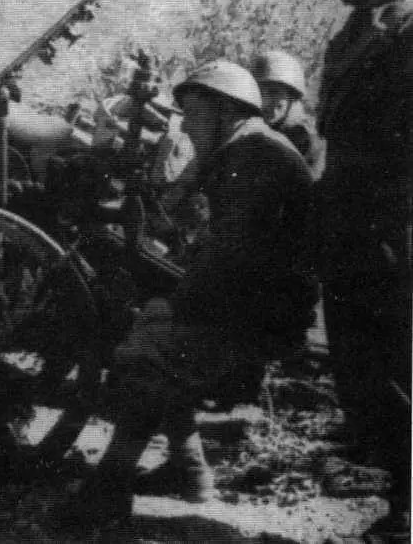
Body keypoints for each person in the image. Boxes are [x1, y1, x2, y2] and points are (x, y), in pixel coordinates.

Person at [59, 60, 315, 528]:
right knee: (155, 331)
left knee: (150, 352)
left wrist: (177, 305)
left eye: (195, 115)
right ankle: (190, 471)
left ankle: (108, 492)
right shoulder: (244, 146)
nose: (188, 128)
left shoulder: (254, 154)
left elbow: (230, 255)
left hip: (262, 311)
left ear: (225, 110)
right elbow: (198, 232)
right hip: (256, 298)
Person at [314, 0, 412, 540]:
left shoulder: (406, 28)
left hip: (396, 222)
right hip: (353, 221)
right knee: (363, 366)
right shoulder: (357, 30)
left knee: (401, 363)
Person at [249, 49, 325, 179]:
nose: (265, 102)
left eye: (274, 93)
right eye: (260, 93)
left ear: (292, 96)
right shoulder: (262, 128)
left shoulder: (306, 138)